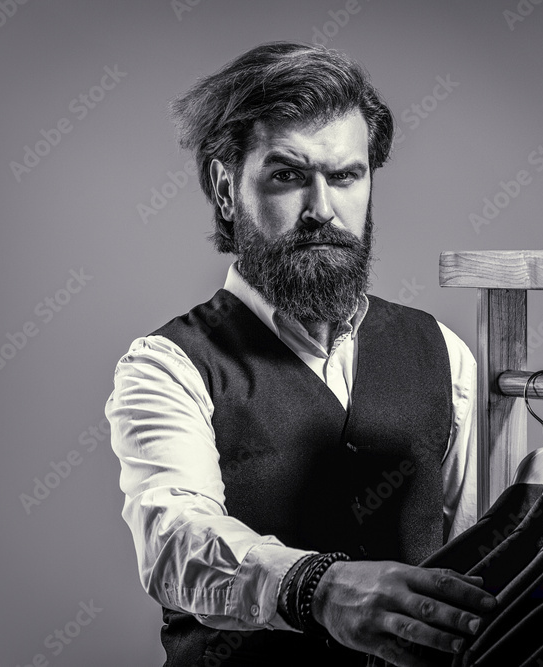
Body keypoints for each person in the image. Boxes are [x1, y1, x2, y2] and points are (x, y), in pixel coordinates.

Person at [105, 41, 493, 667]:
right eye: (288, 175)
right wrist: (317, 587)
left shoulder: (442, 352)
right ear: (226, 189)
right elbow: (173, 541)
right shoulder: (168, 365)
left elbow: (477, 552)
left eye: (345, 176)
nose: (322, 209)